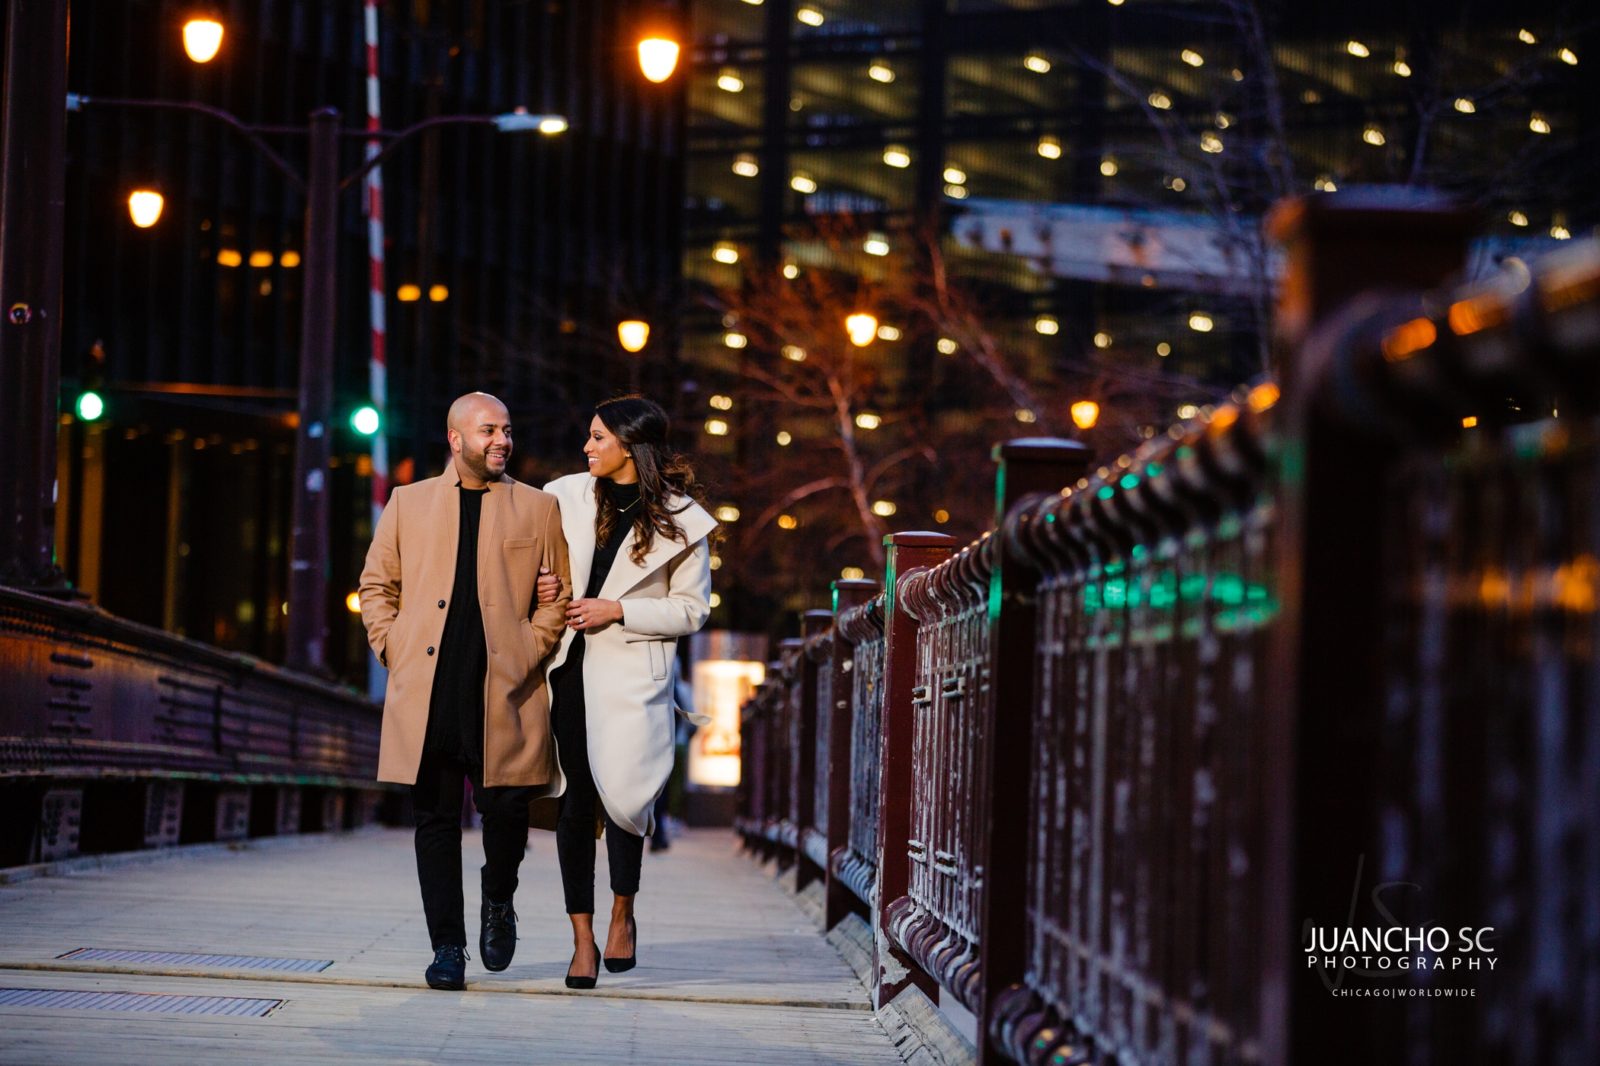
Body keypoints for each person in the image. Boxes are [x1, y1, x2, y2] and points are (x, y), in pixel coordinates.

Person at [358, 392, 571, 991]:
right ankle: (447, 946)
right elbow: (376, 586)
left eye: (507, 429)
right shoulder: (408, 503)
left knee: (506, 811)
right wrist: (392, 646)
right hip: (428, 689)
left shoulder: (538, 508)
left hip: (504, 691)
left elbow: (557, 598)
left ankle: (498, 899)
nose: (501, 440)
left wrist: (532, 645)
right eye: (488, 431)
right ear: (456, 439)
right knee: (434, 819)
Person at [534, 395, 715, 989]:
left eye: (597, 437)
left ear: (630, 446)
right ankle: (582, 938)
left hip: (634, 672)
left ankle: (623, 912)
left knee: (627, 801)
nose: (587, 447)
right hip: (567, 667)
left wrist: (619, 609)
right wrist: (546, 586)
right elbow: (531, 560)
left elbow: (691, 611)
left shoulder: (683, 518)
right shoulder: (562, 496)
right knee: (577, 797)